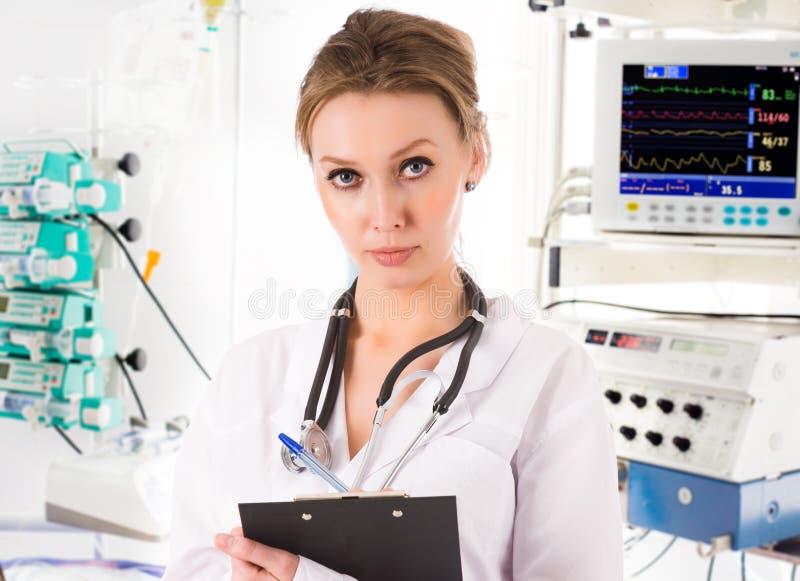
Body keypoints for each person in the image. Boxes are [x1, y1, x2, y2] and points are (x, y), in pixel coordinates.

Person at [163, 8, 622, 581]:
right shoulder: (250, 377)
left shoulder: (547, 378)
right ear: (317, 178)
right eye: (347, 177)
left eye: (414, 166)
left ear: (475, 153)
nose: (384, 217)